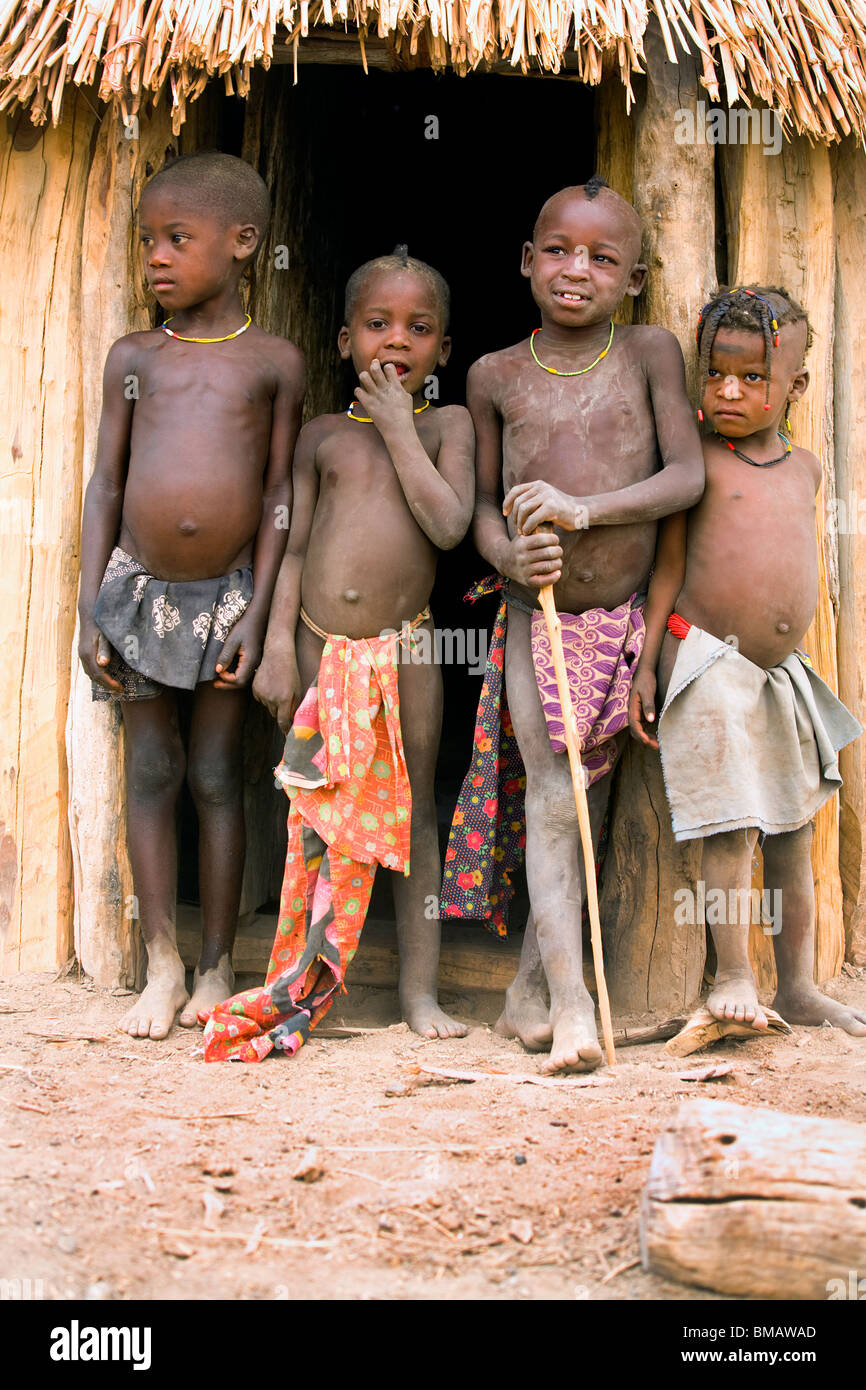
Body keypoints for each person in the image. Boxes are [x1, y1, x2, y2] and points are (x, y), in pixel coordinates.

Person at [441, 177, 704, 1073]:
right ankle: (574, 1005)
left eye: (602, 258)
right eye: (557, 250)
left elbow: (685, 479)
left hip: (625, 621)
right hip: (532, 619)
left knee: (582, 807)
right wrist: (508, 558)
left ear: (633, 279)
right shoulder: (492, 376)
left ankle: (525, 995)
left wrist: (582, 512)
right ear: (525, 261)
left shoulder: (649, 353)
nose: (576, 270)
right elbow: (479, 509)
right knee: (554, 798)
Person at [202, 247, 475, 1061]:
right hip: (318, 649)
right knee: (314, 817)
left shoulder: (446, 425)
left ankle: (418, 992)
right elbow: (289, 551)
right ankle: (298, 973)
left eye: (418, 329)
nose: (397, 341)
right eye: (378, 324)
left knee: (414, 811)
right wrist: (281, 650)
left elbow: (450, 526)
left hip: (410, 648)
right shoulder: (321, 437)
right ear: (343, 339)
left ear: (444, 350)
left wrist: (399, 427)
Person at [78, 152, 305, 1040]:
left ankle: (217, 966)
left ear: (243, 243)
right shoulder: (134, 357)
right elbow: (106, 484)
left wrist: (257, 609)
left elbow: (281, 491)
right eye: (147, 242)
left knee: (215, 775)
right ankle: (161, 964)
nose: (156, 259)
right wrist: (91, 601)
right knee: (150, 771)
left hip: (225, 602)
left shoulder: (273, 363)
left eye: (177, 239)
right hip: (135, 593)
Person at [629, 285, 865, 1036]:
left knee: (794, 831)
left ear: (795, 387)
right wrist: (645, 666)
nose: (729, 391)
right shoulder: (694, 460)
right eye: (716, 373)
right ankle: (731, 972)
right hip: (707, 663)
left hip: (780, 675)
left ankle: (795, 984)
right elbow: (666, 567)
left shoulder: (807, 470)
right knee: (730, 830)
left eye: (753, 378)